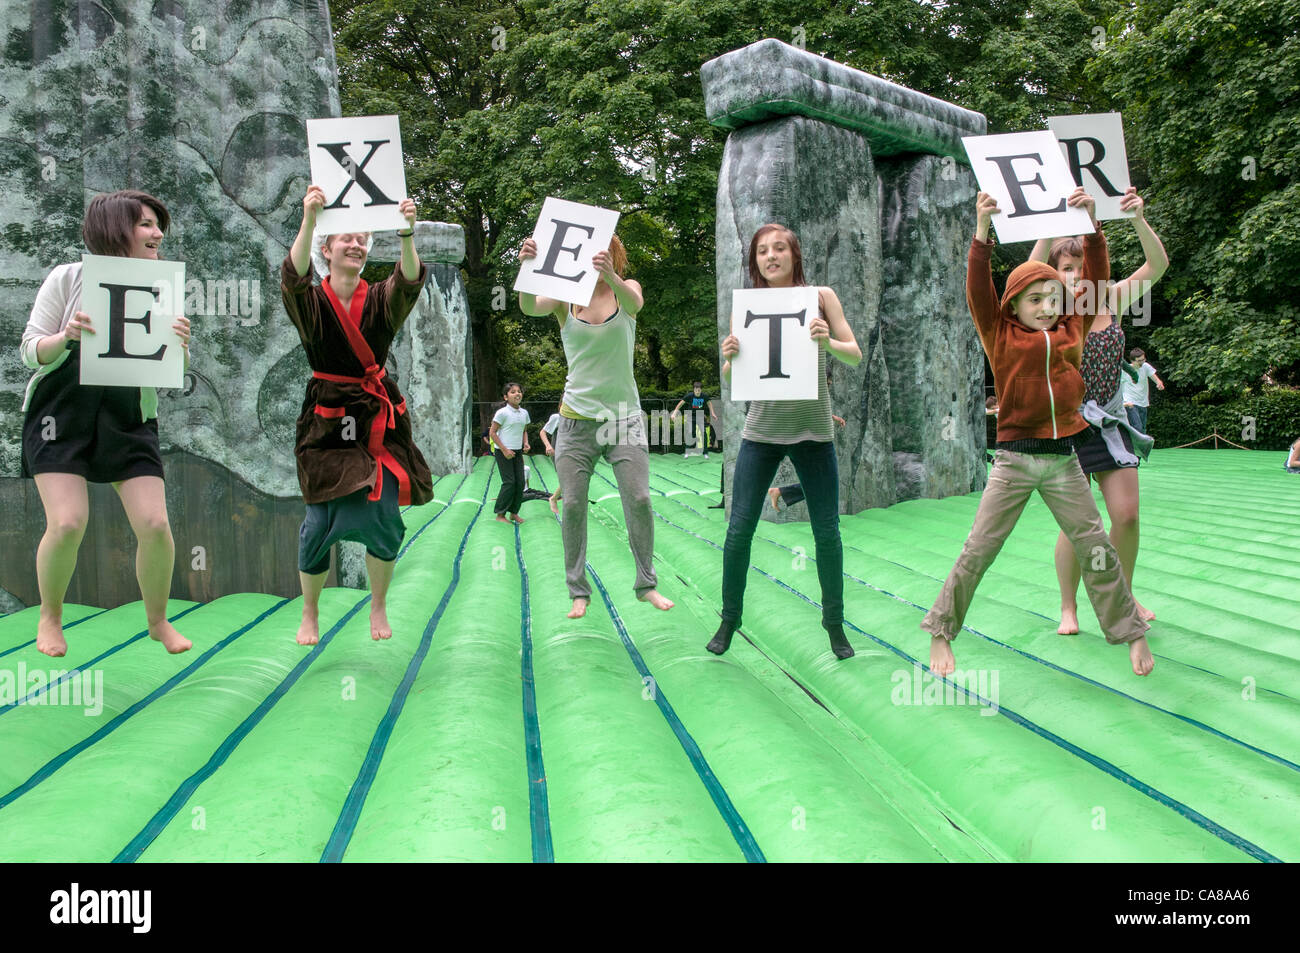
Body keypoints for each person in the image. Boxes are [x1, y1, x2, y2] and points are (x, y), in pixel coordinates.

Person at [923, 191, 1153, 678]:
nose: (1048, 307)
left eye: (1054, 299)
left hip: (1063, 460)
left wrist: (1092, 225)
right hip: (1012, 462)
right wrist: (983, 227)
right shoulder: (998, 333)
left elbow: (1094, 275)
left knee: (1096, 547)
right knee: (980, 548)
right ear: (1013, 304)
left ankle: (1130, 631)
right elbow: (978, 288)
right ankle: (941, 630)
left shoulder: (1073, 328)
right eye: (1036, 299)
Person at [20, 189, 193, 658]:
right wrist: (65, 336)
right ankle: (50, 617)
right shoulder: (67, 278)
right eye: (145, 224)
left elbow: (166, 366)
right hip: (61, 411)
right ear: (115, 229)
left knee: (155, 524)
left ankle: (157, 620)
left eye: (158, 224)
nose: (157, 233)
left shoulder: (160, 285)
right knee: (69, 522)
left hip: (128, 415)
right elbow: (30, 348)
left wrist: (180, 342)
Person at [283, 185, 433, 645]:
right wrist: (310, 218)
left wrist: (406, 234)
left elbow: (408, 282)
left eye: (363, 238)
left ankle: (378, 603)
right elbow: (293, 278)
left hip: (374, 420)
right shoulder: (313, 302)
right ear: (326, 249)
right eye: (345, 237)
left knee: (385, 514)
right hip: (326, 424)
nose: (355, 243)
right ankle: (310, 610)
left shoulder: (380, 298)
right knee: (317, 527)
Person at [713, 224, 862, 660]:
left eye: (780, 248)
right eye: (762, 250)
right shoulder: (748, 305)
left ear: (795, 255)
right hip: (762, 432)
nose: (771, 256)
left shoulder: (821, 297)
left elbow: (853, 351)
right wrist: (729, 357)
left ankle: (834, 624)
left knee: (827, 532)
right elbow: (732, 377)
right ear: (754, 260)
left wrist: (826, 340)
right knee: (739, 529)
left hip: (814, 431)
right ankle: (729, 620)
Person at [1029, 187, 1168, 633]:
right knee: (1077, 525)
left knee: (1126, 515)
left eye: (1080, 267)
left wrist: (1137, 220)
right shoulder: (1047, 311)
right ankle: (1069, 607)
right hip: (1067, 426)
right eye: (1065, 269)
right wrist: (1048, 233)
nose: (1074, 275)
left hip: (1111, 421)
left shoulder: (1110, 300)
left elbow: (1158, 266)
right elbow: (1026, 274)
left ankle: (1122, 595)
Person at [517, 233, 673, 618]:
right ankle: (578, 590)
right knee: (571, 504)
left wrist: (612, 277)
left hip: (624, 419)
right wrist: (526, 266)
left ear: (615, 256)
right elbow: (528, 307)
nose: (594, 259)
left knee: (639, 499)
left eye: (603, 254)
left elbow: (635, 300)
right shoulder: (564, 299)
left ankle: (646, 584)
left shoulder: (626, 291)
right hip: (576, 422)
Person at [767, 408, 846, 511]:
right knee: (824, 482)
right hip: (802, 439)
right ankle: (780, 492)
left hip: (805, 436)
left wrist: (830, 416)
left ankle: (781, 492)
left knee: (824, 483)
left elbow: (805, 405)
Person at [490, 382, 530, 523]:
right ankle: (500, 515)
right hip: (503, 452)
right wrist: (505, 450)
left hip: (517, 452)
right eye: (513, 392)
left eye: (519, 391)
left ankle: (514, 512)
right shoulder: (502, 413)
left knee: (520, 482)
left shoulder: (524, 413)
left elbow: (524, 430)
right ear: (506, 397)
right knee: (509, 482)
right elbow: (493, 433)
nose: (517, 394)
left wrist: (525, 443)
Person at [670, 381, 720, 457]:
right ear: (693, 389)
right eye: (696, 390)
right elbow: (680, 404)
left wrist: (712, 413)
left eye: (699, 390)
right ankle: (687, 452)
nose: (697, 392)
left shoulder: (704, 396)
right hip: (691, 417)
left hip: (700, 416)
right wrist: (674, 413)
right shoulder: (689, 396)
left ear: (701, 390)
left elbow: (709, 403)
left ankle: (705, 453)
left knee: (704, 434)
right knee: (691, 434)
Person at [1121, 348, 1164, 433]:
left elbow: (1156, 379)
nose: (1142, 362)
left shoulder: (1145, 366)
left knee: (1143, 429)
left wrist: (1159, 383)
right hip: (1130, 403)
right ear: (1132, 361)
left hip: (1143, 403)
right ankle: (1132, 446)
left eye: (1143, 360)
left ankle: (1138, 446)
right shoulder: (1125, 371)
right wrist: (1124, 403)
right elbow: (1116, 388)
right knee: (1137, 428)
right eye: (1139, 361)